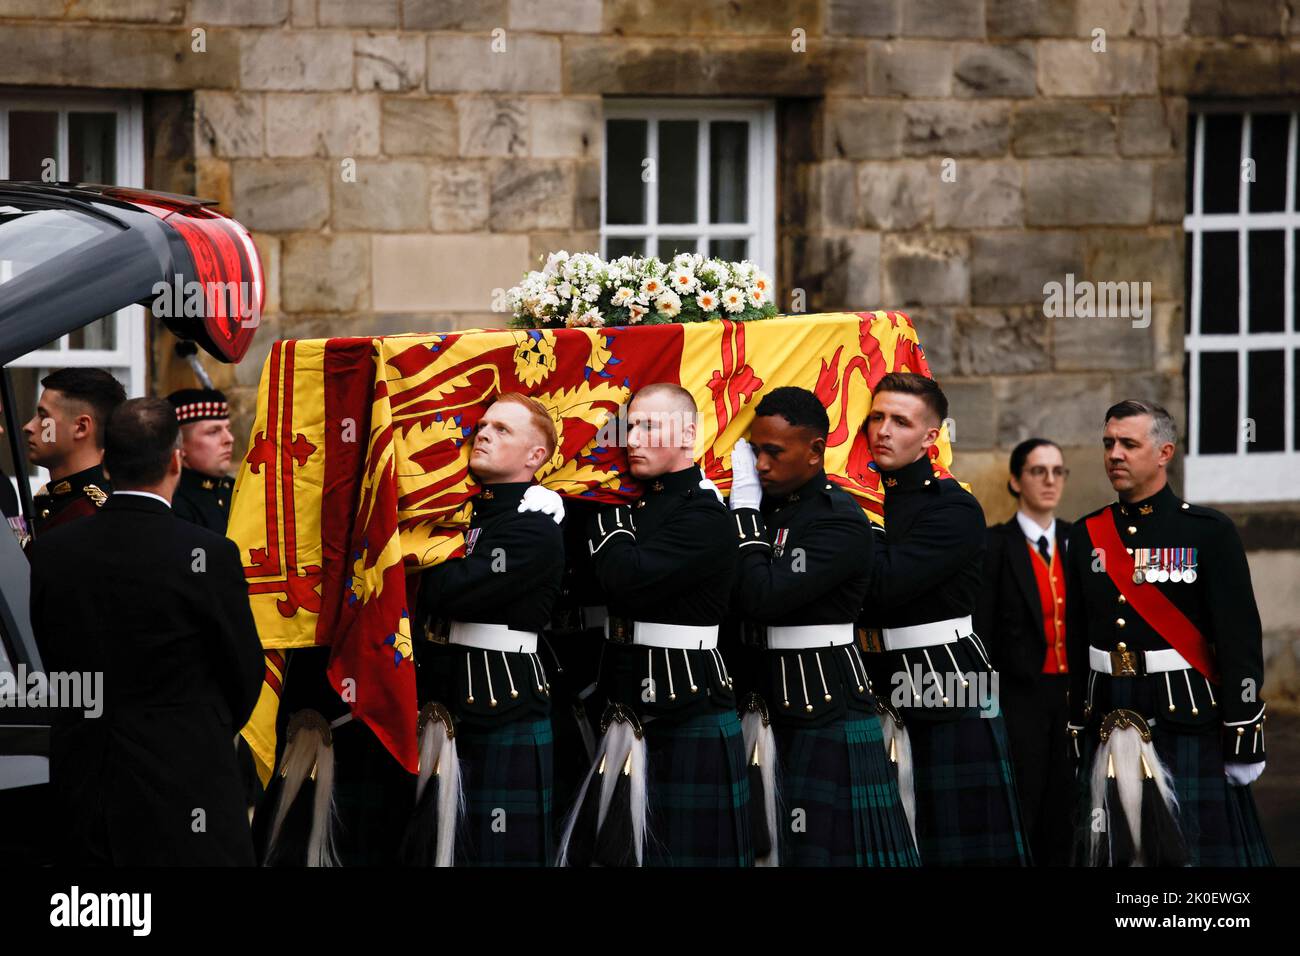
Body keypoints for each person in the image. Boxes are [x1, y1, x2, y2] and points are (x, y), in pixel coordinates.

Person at [28, 397, 264, 865]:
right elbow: (244, 670)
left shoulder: (54, 550)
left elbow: (52, 652)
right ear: (176, 461)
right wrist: (196, 726)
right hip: (186, 773)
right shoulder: (209, 553)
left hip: (88, 772)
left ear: (107, 466)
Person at [1065, 400, 1272, 866]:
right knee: (1113, 848)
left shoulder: (1208, 532)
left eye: (1128, 444)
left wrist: (1243, 730)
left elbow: (1239, 638)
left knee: (1193, 853)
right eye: (1108, 443)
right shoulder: (1086, 534)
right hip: (1108, 710)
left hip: (1182, 712)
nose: (1114, 454)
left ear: (1164, 453)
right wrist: (1077, 721)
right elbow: (1076, 639)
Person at [558, 383, 752, 867]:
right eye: (629, 427)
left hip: (685, 702)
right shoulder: (633, 505)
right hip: (623, 696)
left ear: (689, 433)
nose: (632, 439)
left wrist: (605, 524)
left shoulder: (704, 516)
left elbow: (625, 579)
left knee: (686, 852)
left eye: (648, 425)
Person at [729, 386, 918, 867]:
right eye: (755, 452)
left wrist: (744, 513)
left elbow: (763, 596)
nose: (762, 465)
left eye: (775, 452)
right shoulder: (768, 508)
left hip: (822, 702)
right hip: (756, 694)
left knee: (827, 851)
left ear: (815, 450)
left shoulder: (839, 520)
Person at [857, 371, 1028, 866]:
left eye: (900, 421)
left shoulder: (953, 507)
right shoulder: (862, 496)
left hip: (946, 678)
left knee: (955, 835)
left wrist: (845, 521)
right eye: (876, 417)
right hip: (870, 674)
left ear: (931, 436)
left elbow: (887, 583)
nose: (883, 430)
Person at [405, 392, 566, 866]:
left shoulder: (534, 525)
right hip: (443, 691)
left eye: (503, 430)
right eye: (484, 424)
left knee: (496, 849)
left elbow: (447, 591)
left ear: (535, 457)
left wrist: (421, 563)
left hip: (500, 699)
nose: (484, 434)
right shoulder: (467, 511)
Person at [975, 438, 1074, 865]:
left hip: (1071, 698)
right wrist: (986, 705)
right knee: (1023, 800)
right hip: (1019, 699)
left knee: (1068, 805)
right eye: (1038, 471)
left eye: (1058, 471)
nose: (1050, 480)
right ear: (1016, 481)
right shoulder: (996, 546)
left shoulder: (1080, 541)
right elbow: (983, 630)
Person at [22, 367, 126, 537]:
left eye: (43, 416)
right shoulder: (49, 499)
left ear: (81, 427)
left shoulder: (96, 515)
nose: (28, 427)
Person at [166, 387, 236, 532]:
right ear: (180, 444)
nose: (229, 439)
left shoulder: (235, 490)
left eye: (228, 429)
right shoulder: (173, 502)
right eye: (213, 432)